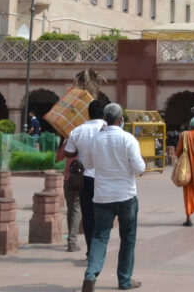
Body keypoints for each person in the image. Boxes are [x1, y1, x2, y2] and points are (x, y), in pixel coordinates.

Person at [81, 103, 143, 292]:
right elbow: (139, 168)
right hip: (125, 195)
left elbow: (88, 164)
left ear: (105, 119)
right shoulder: (128, 139)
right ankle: (124, 279)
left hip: (102, 196)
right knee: (128, 238)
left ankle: (91, 274)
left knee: (99, 236)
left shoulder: (96, 140)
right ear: (120, 119)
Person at [64, 99, 106, 256]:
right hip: (104, 178)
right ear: (104, 114)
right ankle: (99, 250)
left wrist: (79, 153)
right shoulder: (108, 129)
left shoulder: (78, 130)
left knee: (88, 216)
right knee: (104, 215)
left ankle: (91, 250)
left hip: (86, 177)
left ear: (88, 113)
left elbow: (68, 152)